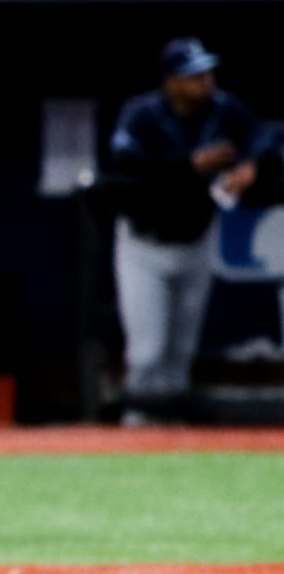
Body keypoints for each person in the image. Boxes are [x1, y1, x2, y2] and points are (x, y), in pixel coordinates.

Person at [107, 36, 269, 426]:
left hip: (196, 240)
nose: (204, 81)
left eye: (206, 72)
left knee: (180, 354)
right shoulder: (143, 113)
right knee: (147, 353)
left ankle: (173, 436)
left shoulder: (224, 108)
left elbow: (264, 137)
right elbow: (125, 159)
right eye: (193, 75)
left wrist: (250, 163)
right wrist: (190, 164)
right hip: (145, 245)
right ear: (171, 81)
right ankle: (136, 427)